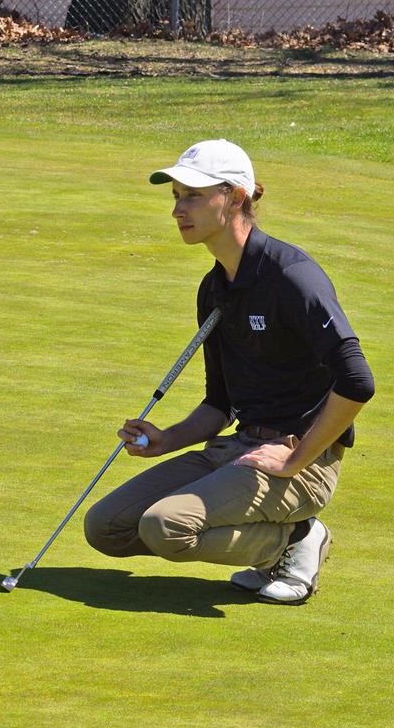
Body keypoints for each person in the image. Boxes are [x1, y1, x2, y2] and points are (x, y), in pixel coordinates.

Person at [82, 139, 375, 604]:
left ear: (236, 197)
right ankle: (276, 545)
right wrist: (168, 439)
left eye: (193, 195)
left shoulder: (291, 276)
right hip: (237, 448)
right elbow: (221, 404)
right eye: (176, 196)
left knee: (166, 526)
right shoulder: (215, 288)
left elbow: (357, 380)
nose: (179, 208)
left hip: (299, 459)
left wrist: (296, 460)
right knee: (106, 527)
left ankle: (297, 540)